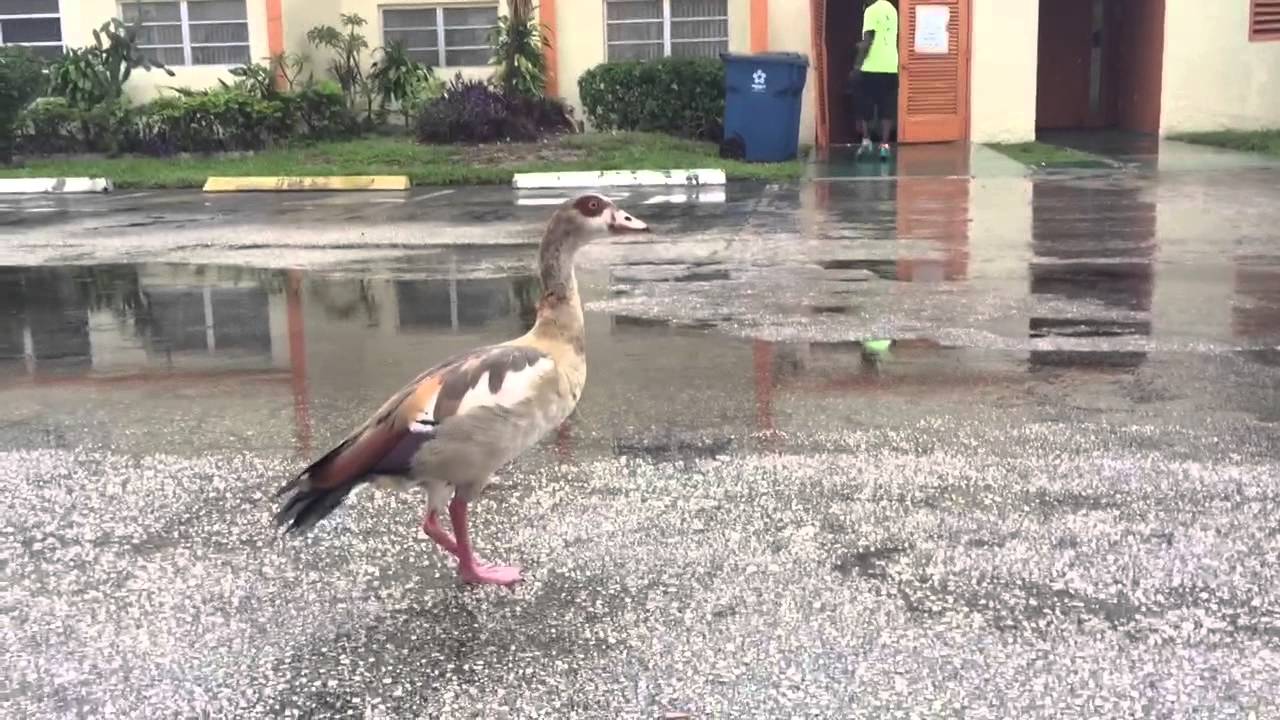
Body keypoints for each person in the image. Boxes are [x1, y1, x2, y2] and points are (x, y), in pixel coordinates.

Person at [850, 0, 899, 160]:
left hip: (871, 66)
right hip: (891, 66)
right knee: (887, 107)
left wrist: (857, 66)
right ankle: (884, 146)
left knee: (864, 105)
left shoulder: (870, 11)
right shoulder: (892, 10)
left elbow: (868, 41)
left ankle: (866, 142)